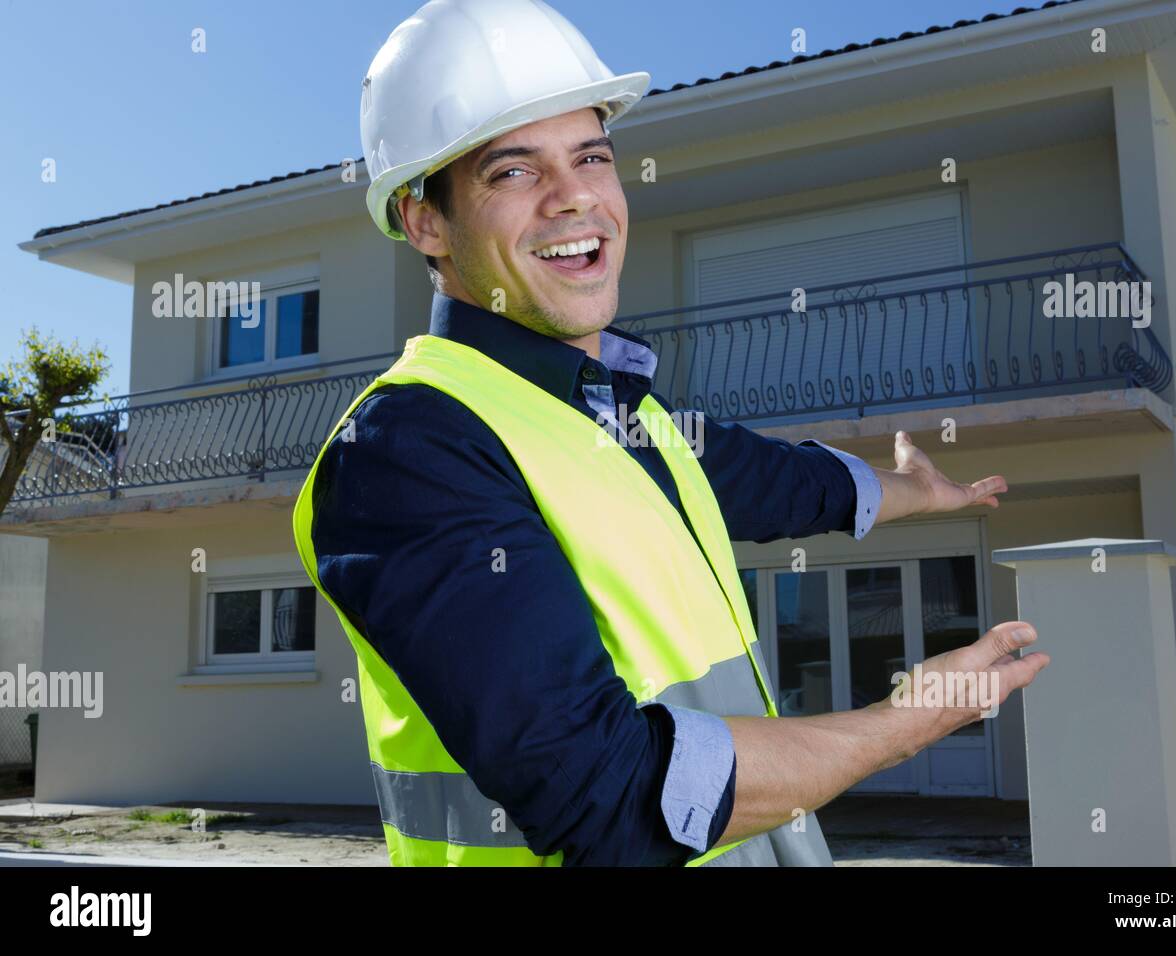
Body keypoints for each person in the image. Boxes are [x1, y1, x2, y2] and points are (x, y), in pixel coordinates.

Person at [291, 0, 1049, 867]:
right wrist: (908, 723)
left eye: (592, 157)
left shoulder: (625, 416)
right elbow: (607, 795)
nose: (575, 196)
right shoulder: (406, 452)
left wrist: (918, 492)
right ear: (427, 222)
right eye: (513, 172)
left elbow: (776, 481)